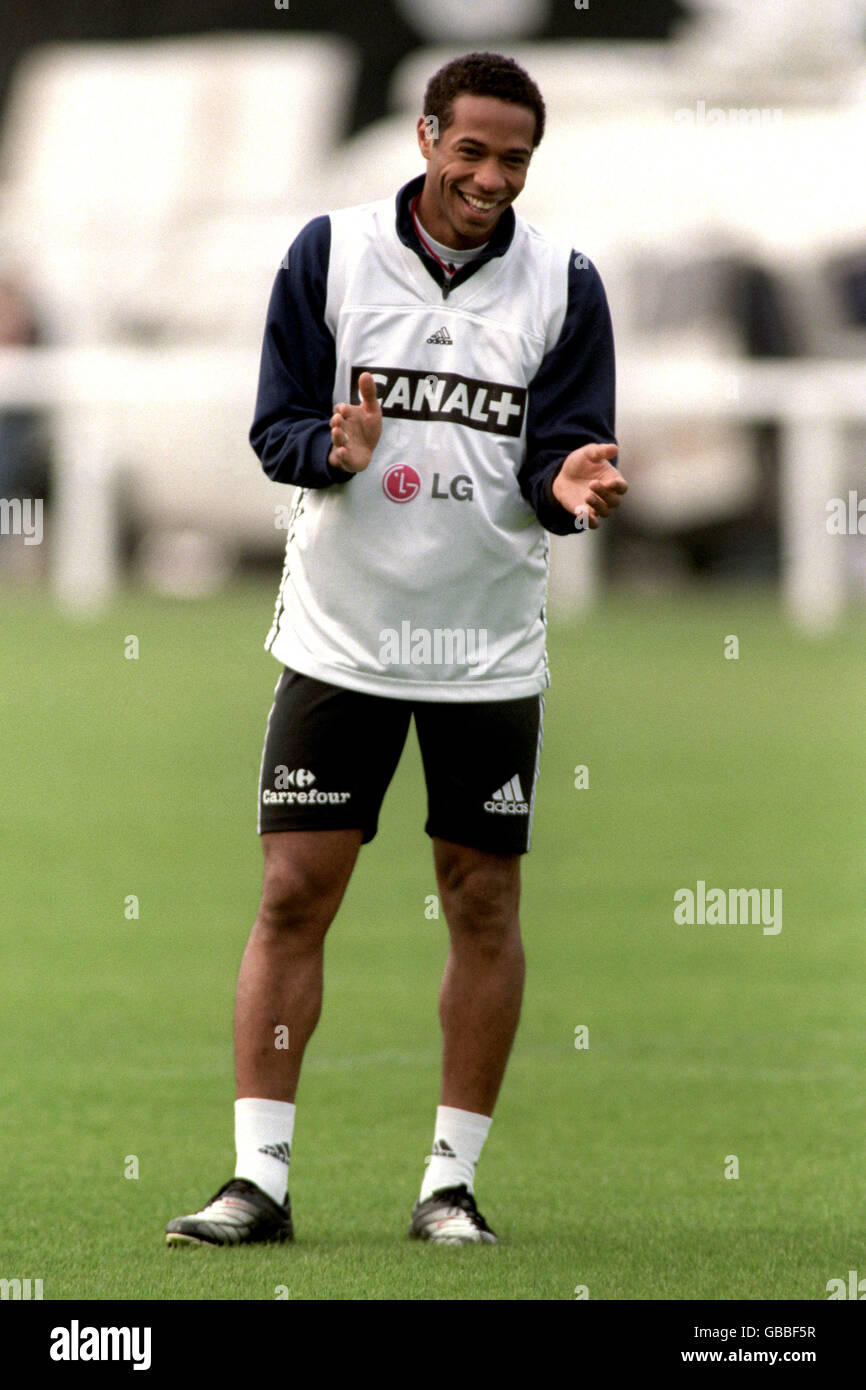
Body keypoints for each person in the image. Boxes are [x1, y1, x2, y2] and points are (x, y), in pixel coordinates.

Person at [166, 50, 626, 1250]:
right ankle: (255, 1179)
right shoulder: (327, 251)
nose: (488, 176)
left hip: (485, 651)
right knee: (289, 896)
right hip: (339, 639)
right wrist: (333, 446)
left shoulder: (565, 281)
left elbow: (562, 451)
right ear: (424, 137)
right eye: (469, 149)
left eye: (512, 158)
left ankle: (448, 1185)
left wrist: (569, 481)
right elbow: (273, 426)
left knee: (481, 901)